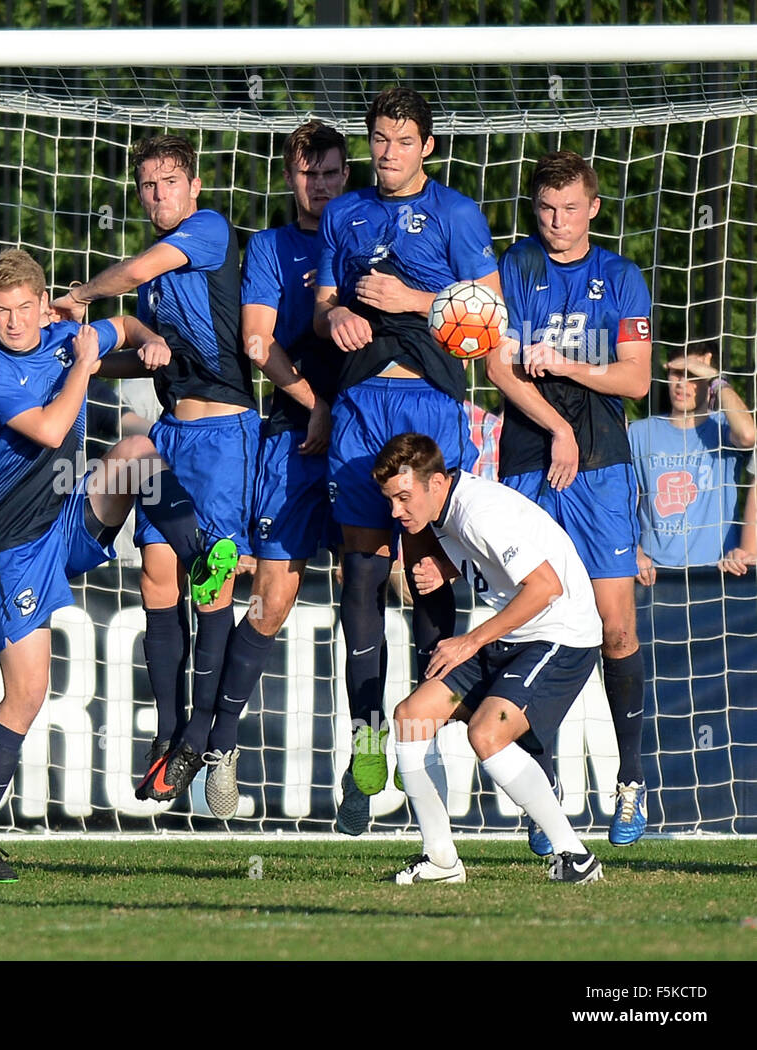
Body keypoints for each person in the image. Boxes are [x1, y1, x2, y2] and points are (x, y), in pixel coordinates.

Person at [0, 248, 235, 878]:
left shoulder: (61, 335)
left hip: (70, 512)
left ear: (41, 301)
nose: (14, 322)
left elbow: (126, 329)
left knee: (138, 447)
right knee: (26, 696)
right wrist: (86, 363)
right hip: (19, 545)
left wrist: (151, 340)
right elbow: (55, 430)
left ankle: (198, 561)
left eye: (25, 307)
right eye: (0, 311)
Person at [311, 87, 499, 833]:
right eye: (378, 139)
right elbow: (324, 305)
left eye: (399, 139)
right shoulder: (342, 212)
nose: (386, 152)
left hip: (427, 405)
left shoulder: (456, 213)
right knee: (359, 572)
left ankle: (427, 741)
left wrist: (412, 299)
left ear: (427, 144)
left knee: (427, 571)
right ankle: (364, 746)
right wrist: (341, 316)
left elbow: (486, 324)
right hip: (361, 407)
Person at [49, 134, 255, 806]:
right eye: (146, 185)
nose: (158, 193)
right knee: (157, 575)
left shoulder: (208, 230)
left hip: (223, 432)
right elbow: (145, 356)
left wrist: (77, 294)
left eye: (169, 181)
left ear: (193, 188)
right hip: (171, 429)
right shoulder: (160, 286)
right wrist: (79, 362)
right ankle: (169, 736)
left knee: (212, 583)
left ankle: (204, 734)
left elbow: (132, 273)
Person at [486, 149, 654, 849]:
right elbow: (496, 362)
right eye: (546, 209)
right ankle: (543, 788)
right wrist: (557, 425)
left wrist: (569, 368)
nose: (557, 222)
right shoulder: (511, 268)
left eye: (570, 209)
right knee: (534, 622)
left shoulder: (620, 277)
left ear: (593, 207)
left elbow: (638, 380)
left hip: (602, 466)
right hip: (530, 458)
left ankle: (631, 784)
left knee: (616, 627)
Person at [181, 121, 348, 820]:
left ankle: (371, 757)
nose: (319, 185)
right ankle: (221, 741)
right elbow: (257, 341)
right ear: (290, 177)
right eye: (308, 174)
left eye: (332, 173)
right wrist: (315, 406)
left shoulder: (372, 230)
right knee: (273, 601)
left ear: (348, 174)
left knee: (382, 589)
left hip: (372, 432)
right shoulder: (272, 246)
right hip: (297, 435)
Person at [374, 433, 605, 884]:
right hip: (518, 632)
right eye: (391, 501)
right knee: (411, 717)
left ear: (436, 482)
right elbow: (494, 564)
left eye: (404, 497)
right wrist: (446, 567)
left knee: (487, 735)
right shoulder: (445, 513)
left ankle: (575, 856)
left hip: (562, 633)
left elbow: (545, 587)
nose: (397, 511)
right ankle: (441, 860)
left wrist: (469, 641)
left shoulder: (478, 511)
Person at [630, 347, 755, 579]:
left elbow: (749, 435)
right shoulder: (638, 433)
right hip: (653, 575)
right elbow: (622, 501)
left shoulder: (723, 431)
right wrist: (632, 550)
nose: (682, 383)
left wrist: (716, 378)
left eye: (694, 375)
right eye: (677, 373)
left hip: (716, 574)